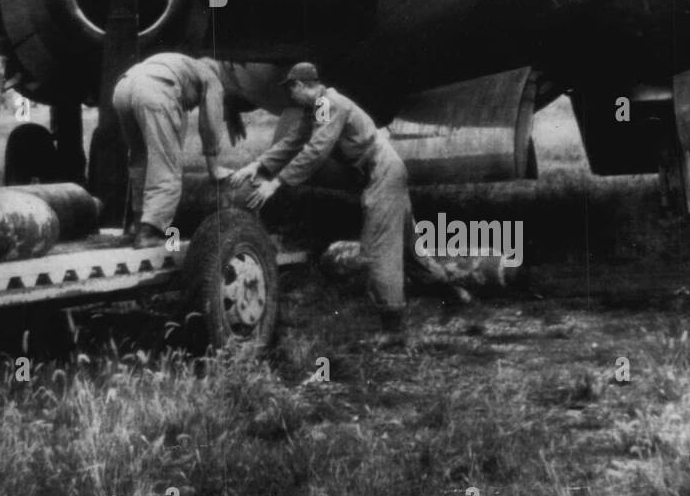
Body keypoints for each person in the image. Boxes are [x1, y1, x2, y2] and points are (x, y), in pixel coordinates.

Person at [230, 62, 465, 338]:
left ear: (303, 86)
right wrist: (257, 166)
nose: (291, 96)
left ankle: (394, 328)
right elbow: (294, 141)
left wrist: (277, 183)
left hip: (383, 170)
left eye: (292, 89)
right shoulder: (317, 107)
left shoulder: (332, 104)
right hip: (383, 170)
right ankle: (451, 291)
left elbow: (316, 150)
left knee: (380, 244)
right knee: (409, 247)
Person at [112, 52, 231, 248]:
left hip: (123, 88)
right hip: (154, 91)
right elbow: (211, 121)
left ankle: (137, 222)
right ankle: (151, 232)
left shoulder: (180, 65)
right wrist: (214, 168)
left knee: (141, 158)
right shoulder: (211, 76)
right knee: (167, 163)